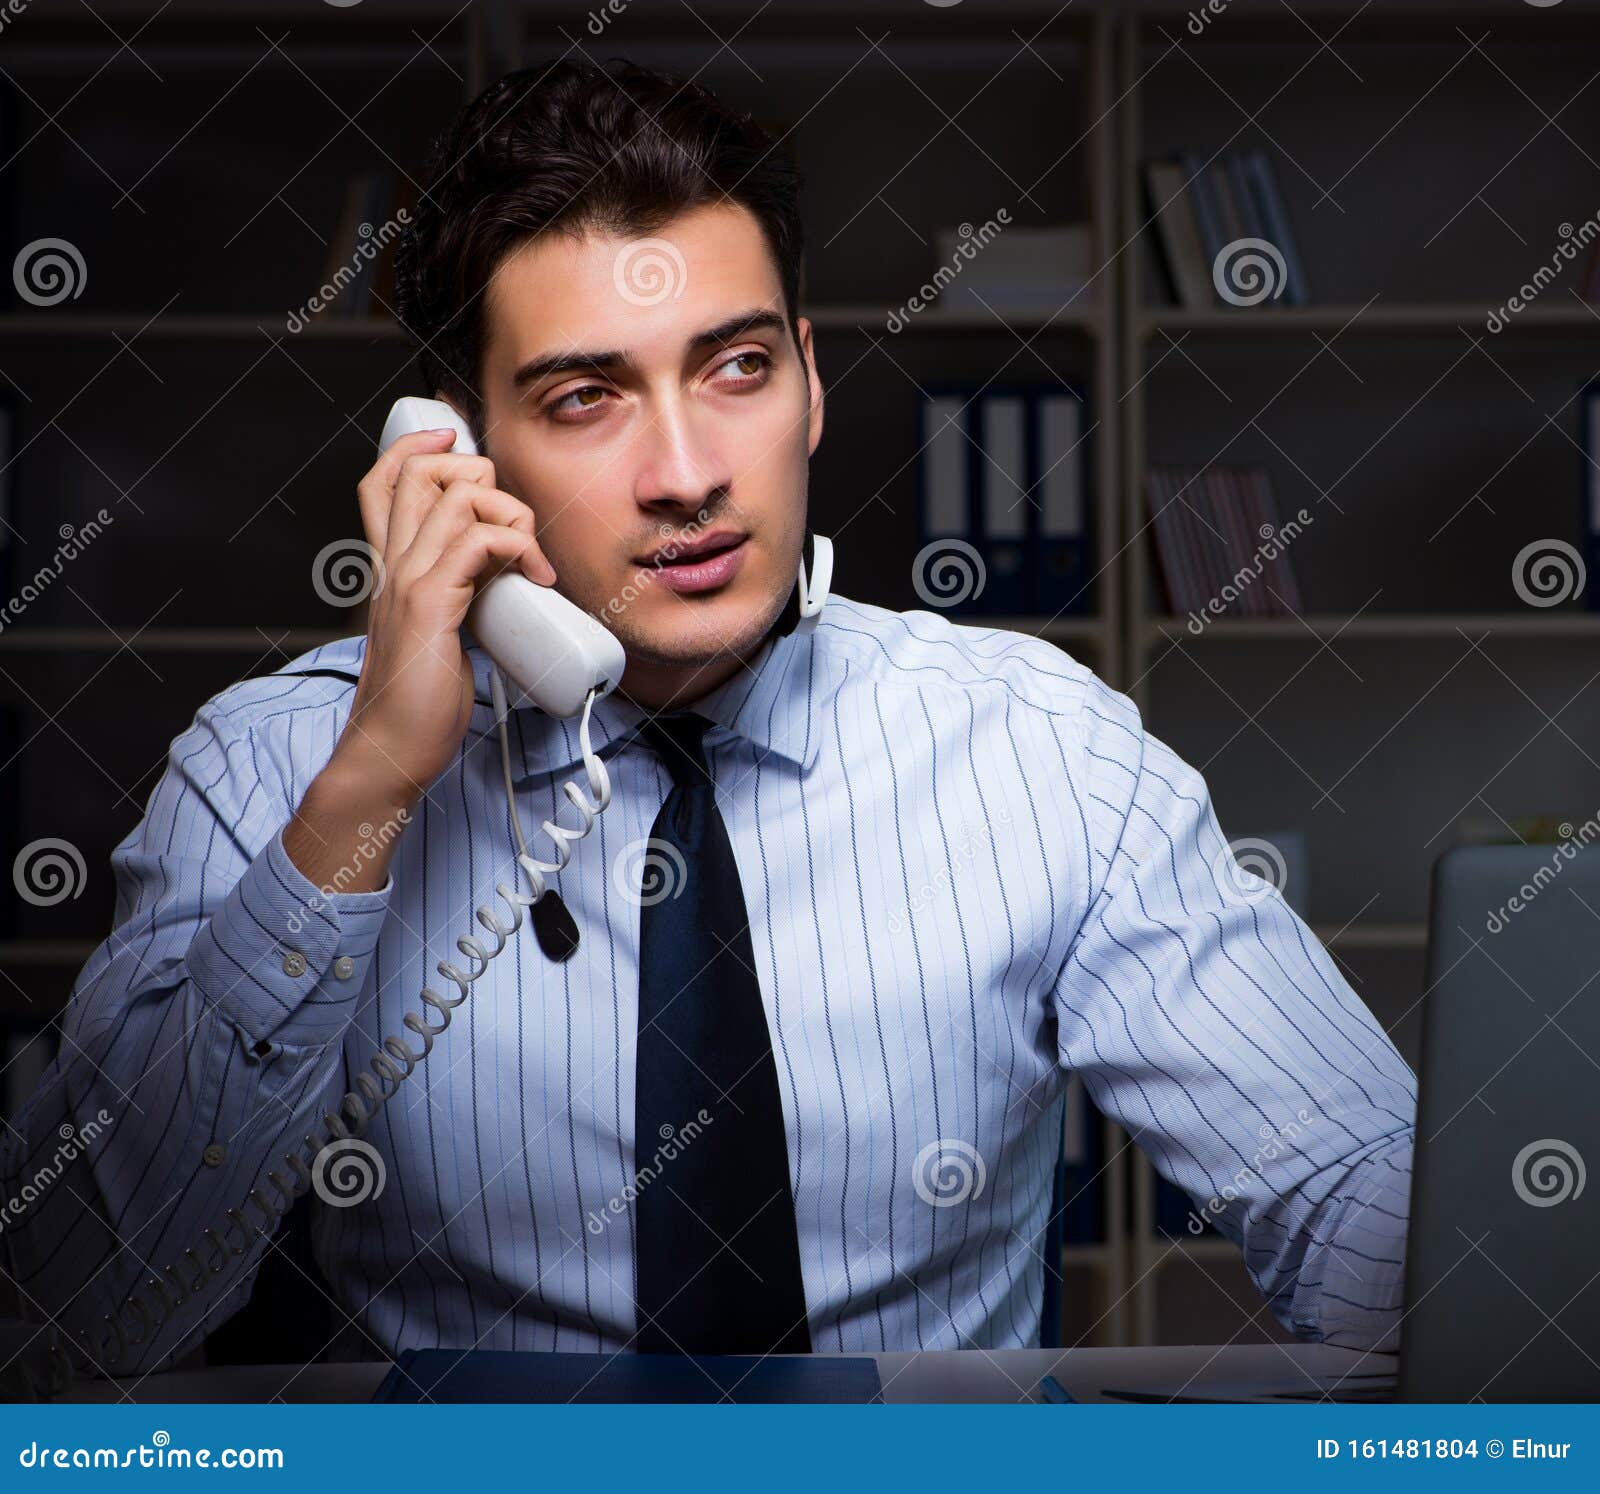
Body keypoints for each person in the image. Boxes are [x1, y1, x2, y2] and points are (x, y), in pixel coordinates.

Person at [0, 58, 1414, 1377]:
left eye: (736, 368)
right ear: (454, 455)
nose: (687, 473)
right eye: (585, 397)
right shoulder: (279, 767)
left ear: (807, 380)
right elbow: (73, 1318)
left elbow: (1363, 1192)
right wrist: (372, 784)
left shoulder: (1046, 751)